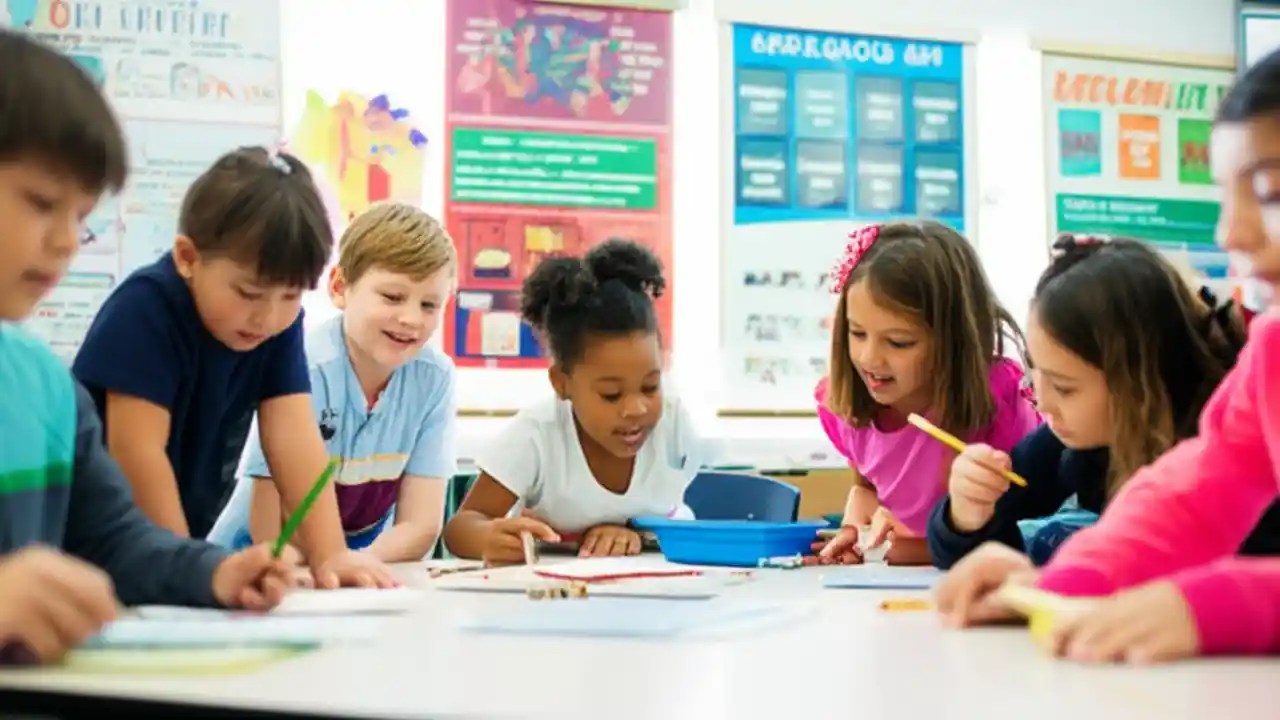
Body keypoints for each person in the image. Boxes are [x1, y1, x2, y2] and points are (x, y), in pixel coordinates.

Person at [935, 50, 1280, 663]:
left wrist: (1215, 604)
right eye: (1227, 197)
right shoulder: (1271, 355)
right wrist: (1067, 583)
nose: (1230, 233)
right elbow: (1195, 491)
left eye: (1271, 193)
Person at [0, 30, 291, 665]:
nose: (66, 242)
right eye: (42, 204)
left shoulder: (46, 389)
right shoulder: (142, 316)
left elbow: (116, 542)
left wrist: (214, 573)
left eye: (81, 216)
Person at [71, 146, 395, 587]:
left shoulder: (275, 326)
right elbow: (137, 452)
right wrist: (186, 570)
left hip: (167, 553)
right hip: (91, 547)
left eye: (291, 296)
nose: (268, 317)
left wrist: (331, 554)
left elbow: (295, 439)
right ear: (188, 257)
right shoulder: (145, 307)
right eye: (248, 293)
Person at [928, 235, 1280, 569]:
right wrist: (965, 515)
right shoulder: (1069, 437)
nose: (1044, 403)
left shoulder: (1227, 447)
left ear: (1138, 383)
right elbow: (973, 557)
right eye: (1036, 374)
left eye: (1064, 388)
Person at [208, 203, 458, 562]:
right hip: (255, 563)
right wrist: (330, 569)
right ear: (340, 287)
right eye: (392, 297)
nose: (410, 319)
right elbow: (268, 521)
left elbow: (420, 526)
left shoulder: (434, 380)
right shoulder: (302, 367)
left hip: (352, 575)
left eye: (430, 305)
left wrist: (357, 565)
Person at [442, 240, 704, 564]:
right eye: (611, 395)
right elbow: (461, 527)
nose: (636, 408)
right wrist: (491, 538)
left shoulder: (674, 423)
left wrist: (638, 535)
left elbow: (693, 521)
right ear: (562, 384)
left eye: (650, 386)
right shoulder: (537, 435)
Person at [815, 221, 1040, 565]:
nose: (869, 358)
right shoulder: (846, 406)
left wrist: (908, 550)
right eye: (857, 333)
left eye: (899, 342)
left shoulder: (998, 405)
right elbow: (868, 489)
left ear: (954, 341)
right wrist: (855, 532)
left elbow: (1026, 532)